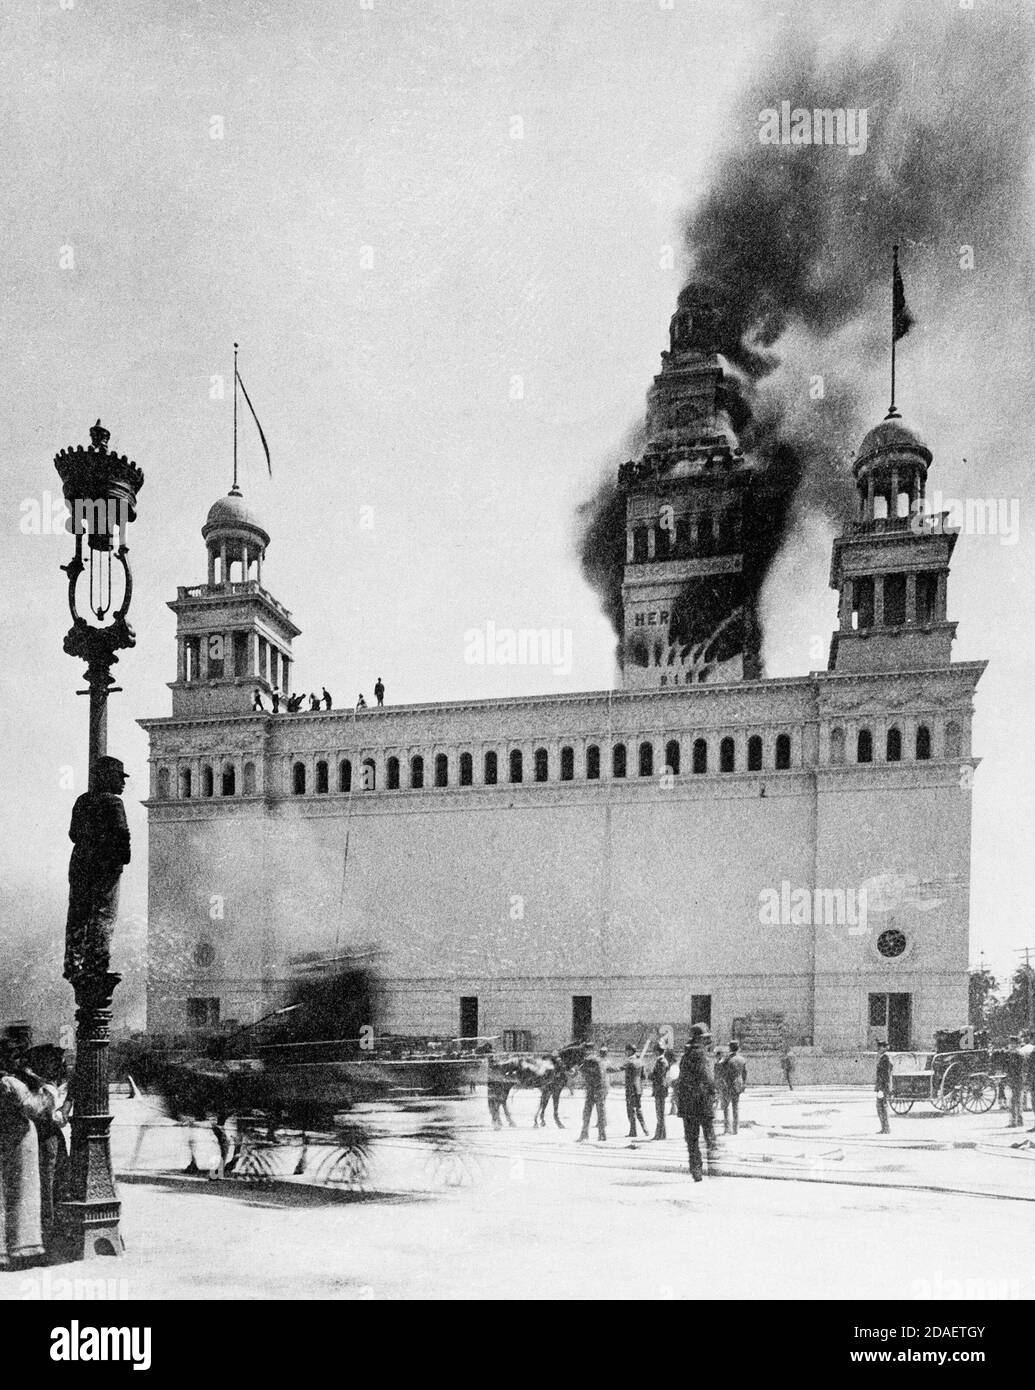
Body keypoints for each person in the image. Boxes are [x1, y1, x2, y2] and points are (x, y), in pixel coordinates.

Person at [63, 755, 131, 982]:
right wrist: (122, 859)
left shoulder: (82, 801)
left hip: (80, 864)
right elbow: (122, 835)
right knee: (103, 913)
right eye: (119, 778)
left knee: (78, 913)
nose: (123, 783)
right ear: (106, 777)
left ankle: (73, 962)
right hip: (106, 867)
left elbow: (73, 834)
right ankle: (97, 963)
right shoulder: (113, 803)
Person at [676, 1025, 717, 1181]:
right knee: (709, 1137)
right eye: (706, 1037)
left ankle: (696, 1172)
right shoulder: (702, 1055)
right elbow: (708, 1078)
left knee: (692, 1140)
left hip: (687, 1104)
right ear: (700, 1038)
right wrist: (714, 1092)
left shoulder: (685, 1056)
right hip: (703, 1103)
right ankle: (713, 1171)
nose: (708, 1040)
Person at [576, 1046, 608, 1143]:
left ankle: (587, 1134)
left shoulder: (591, 1062)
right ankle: (600, 1135)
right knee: (598, 1113)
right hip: (597, 1090)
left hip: (594, 1090)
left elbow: (593, 1075)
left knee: (589, 1113)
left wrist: (580, 1070)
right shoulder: (597, 1061)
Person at [534, 1052, 567, 1129]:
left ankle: (541, 1118)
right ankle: (544, 1118)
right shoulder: (551, 1068)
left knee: (545, 1102)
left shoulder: (554, 1067)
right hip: (551, 1086)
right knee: (547, 1102)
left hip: (552, 1085)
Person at [623, 1044, 649, 1139]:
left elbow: (619, 1068)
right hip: (638, 1089)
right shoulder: (640, 1061)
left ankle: (633, 1131)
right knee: (638, 1109)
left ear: (630, 1051)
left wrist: (605, 1069)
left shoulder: (630, 1061)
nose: (625, 1052)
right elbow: (644, 1076)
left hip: (630, 1089)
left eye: (626, 1050)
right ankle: (645, 1129)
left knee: (630, 1109)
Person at [724, 1040, 747, 1135]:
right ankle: (736, 1129)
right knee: (736, 1107)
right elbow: (745, 1073)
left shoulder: (727, 1059)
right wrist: (744, 1083)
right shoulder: (742, 1059)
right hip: (738, 1084)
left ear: (730, 1048)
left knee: (726, 1107)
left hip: (728, 1084)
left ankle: (727, 1128)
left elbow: (723, 1072)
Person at [650, 1045, 672, 1140]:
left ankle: (660, 1134)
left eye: (655, 1051)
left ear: (658, 1051)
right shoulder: (662, 1061)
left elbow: (660, 1075)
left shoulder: (662, 1061)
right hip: (660, 1088)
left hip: (660, 1089)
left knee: (660, 1112)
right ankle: (661, 1134)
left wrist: (651, 1076)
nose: (654, 1053)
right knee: (659, 1112)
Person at [1005, 1036, 1024, 1128]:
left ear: (1016, 1044)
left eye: (1012, 1043)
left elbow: (1017, 1068)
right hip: (1016, 1079)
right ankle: (1019, 1120)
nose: (1011, 1045)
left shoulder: (1017, 1054)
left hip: (1017, 1079)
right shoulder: (1015, 1054)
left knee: (1014, 1101)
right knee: (1016, 1100)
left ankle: (1014, 1121)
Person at [875, 1040, 893, 1134]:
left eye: (881, 1046)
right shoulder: (883, 1058)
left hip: (883, 1087)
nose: (879, 1049)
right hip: (881, 1087)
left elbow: (885, 1075)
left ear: (886, 1047)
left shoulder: (886, 1058)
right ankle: (885, 1128)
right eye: (879, 1047)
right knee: (881, 1106)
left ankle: (886, 1128)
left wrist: (882, 1088)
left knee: (882, 1106)